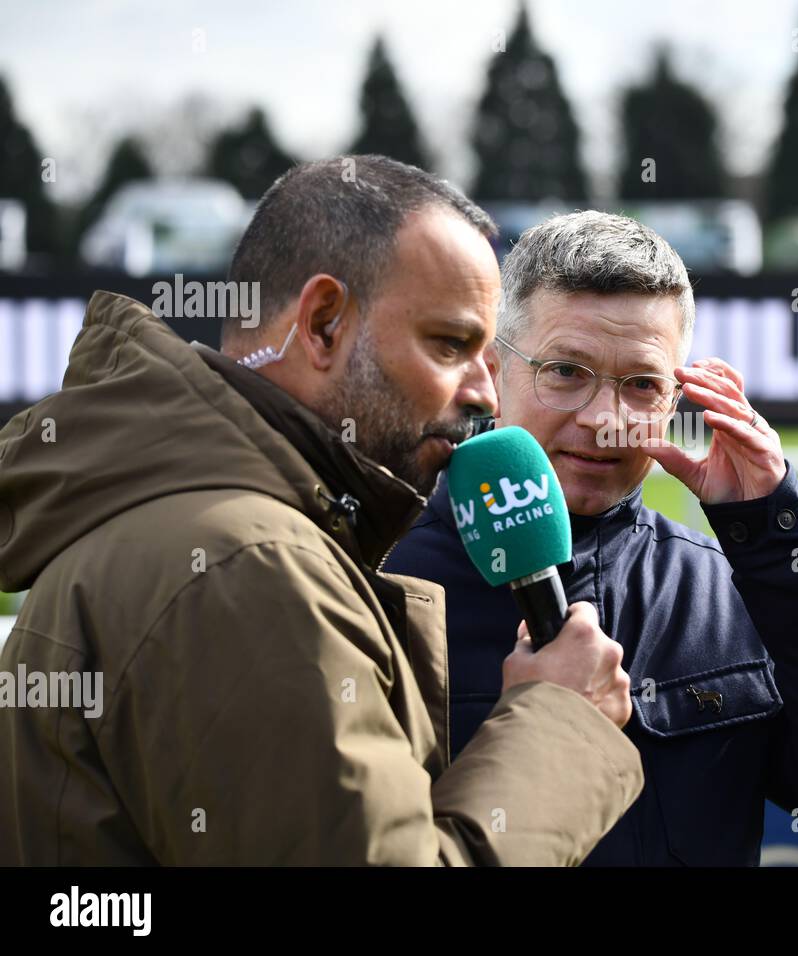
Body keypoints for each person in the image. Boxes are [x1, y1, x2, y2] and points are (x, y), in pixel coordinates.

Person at [0, 157, 642, 865]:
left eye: (488, 356)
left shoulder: (192, 517)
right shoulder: (249, 567)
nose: (485, 395)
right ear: (324, 323)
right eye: (451, 344)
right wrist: (560, 722)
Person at [383, 211, 798, 866]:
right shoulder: (380, 580)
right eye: (566, 371)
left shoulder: (739, 586)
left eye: (643, 385)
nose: (603, 419)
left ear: (679, 397)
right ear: (492, 370)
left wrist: (779, 535)